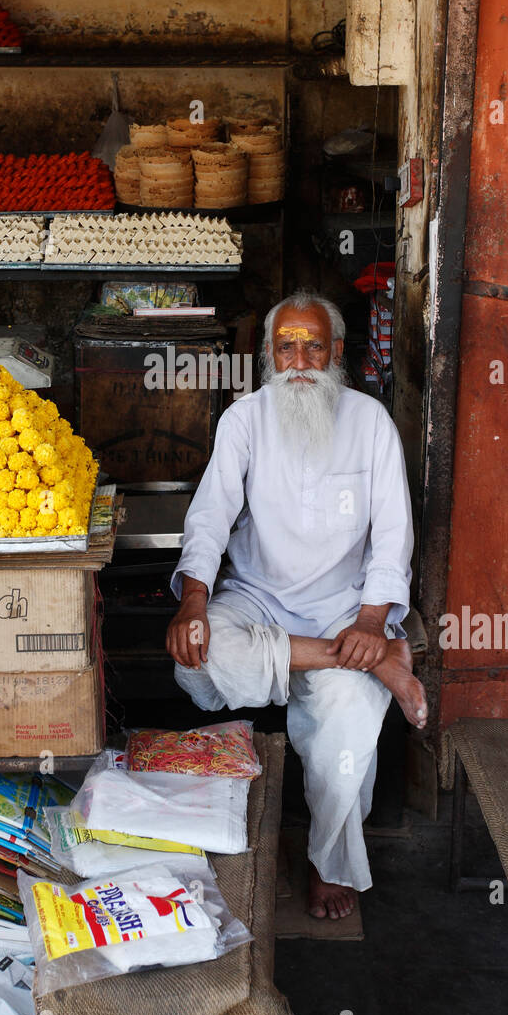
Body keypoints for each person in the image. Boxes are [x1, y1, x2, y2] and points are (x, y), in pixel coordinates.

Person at [166, 290, 427, 921]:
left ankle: (326, 863)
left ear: (336, 353)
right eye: (287, 346)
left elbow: (394, 533)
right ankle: (375, 660)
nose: (301, 360)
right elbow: (210, 518)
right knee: (197, 656)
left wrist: (370, 620)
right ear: (269, 356)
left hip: (346, 609)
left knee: (349, 729)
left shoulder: (370, 424)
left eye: (314, 345)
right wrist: (194, 600)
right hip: (259, 603)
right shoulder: (244, 421)